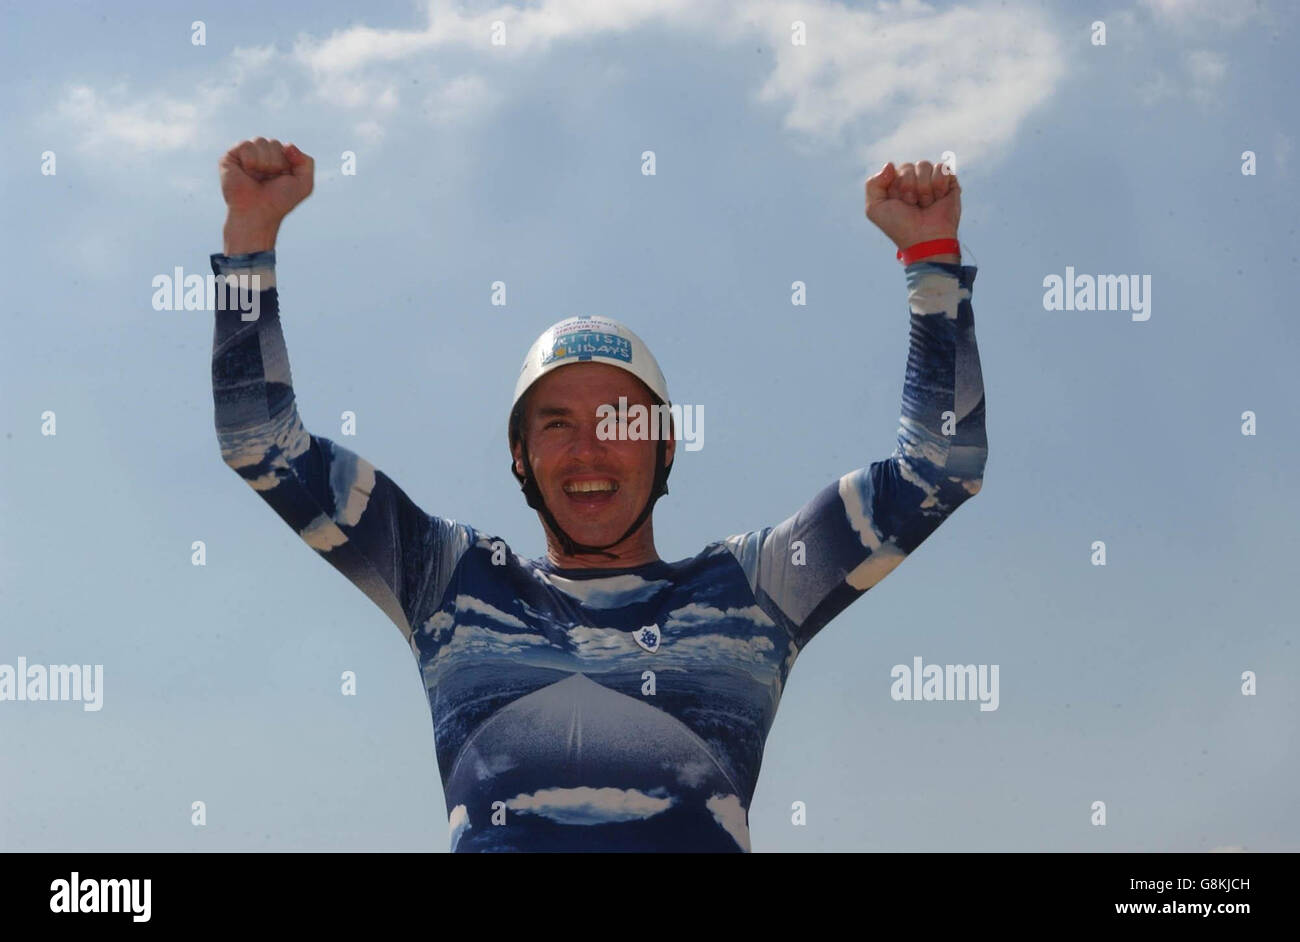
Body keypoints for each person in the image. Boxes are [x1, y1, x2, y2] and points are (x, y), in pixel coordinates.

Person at [211, 137, 987, 852]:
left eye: (619, 419)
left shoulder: (753, 590)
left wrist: (930, 257)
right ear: (519, 455)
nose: (589, 449)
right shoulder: (448, 581)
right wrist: (251, 237)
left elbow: (940, 467)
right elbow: (263, 446)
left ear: (666, 445)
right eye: (556, 424)